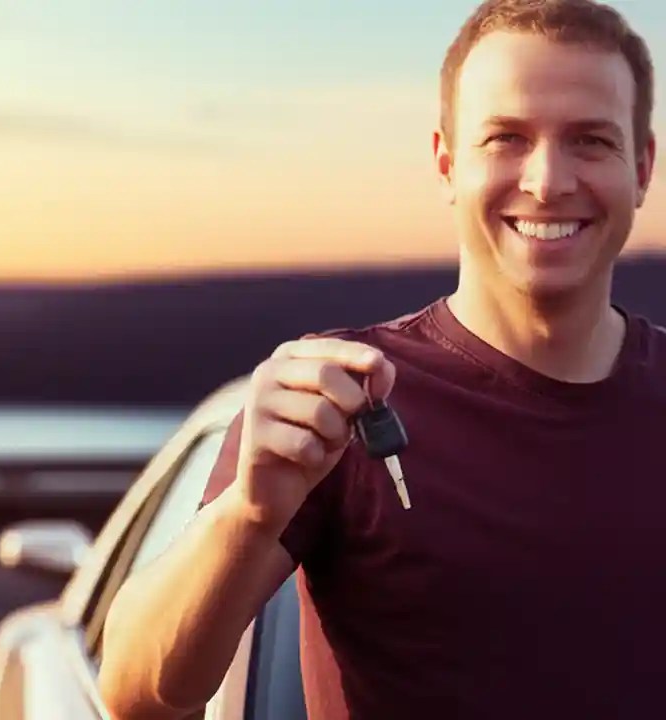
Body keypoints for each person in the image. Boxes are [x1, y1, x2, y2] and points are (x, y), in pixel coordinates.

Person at [96, 0, 666, 718]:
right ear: (447, 163)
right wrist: (247, 514)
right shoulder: (336, 400)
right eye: (506, 139)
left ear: (641, 167)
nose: (547, 180)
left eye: (590, 141)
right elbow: (135, 694)